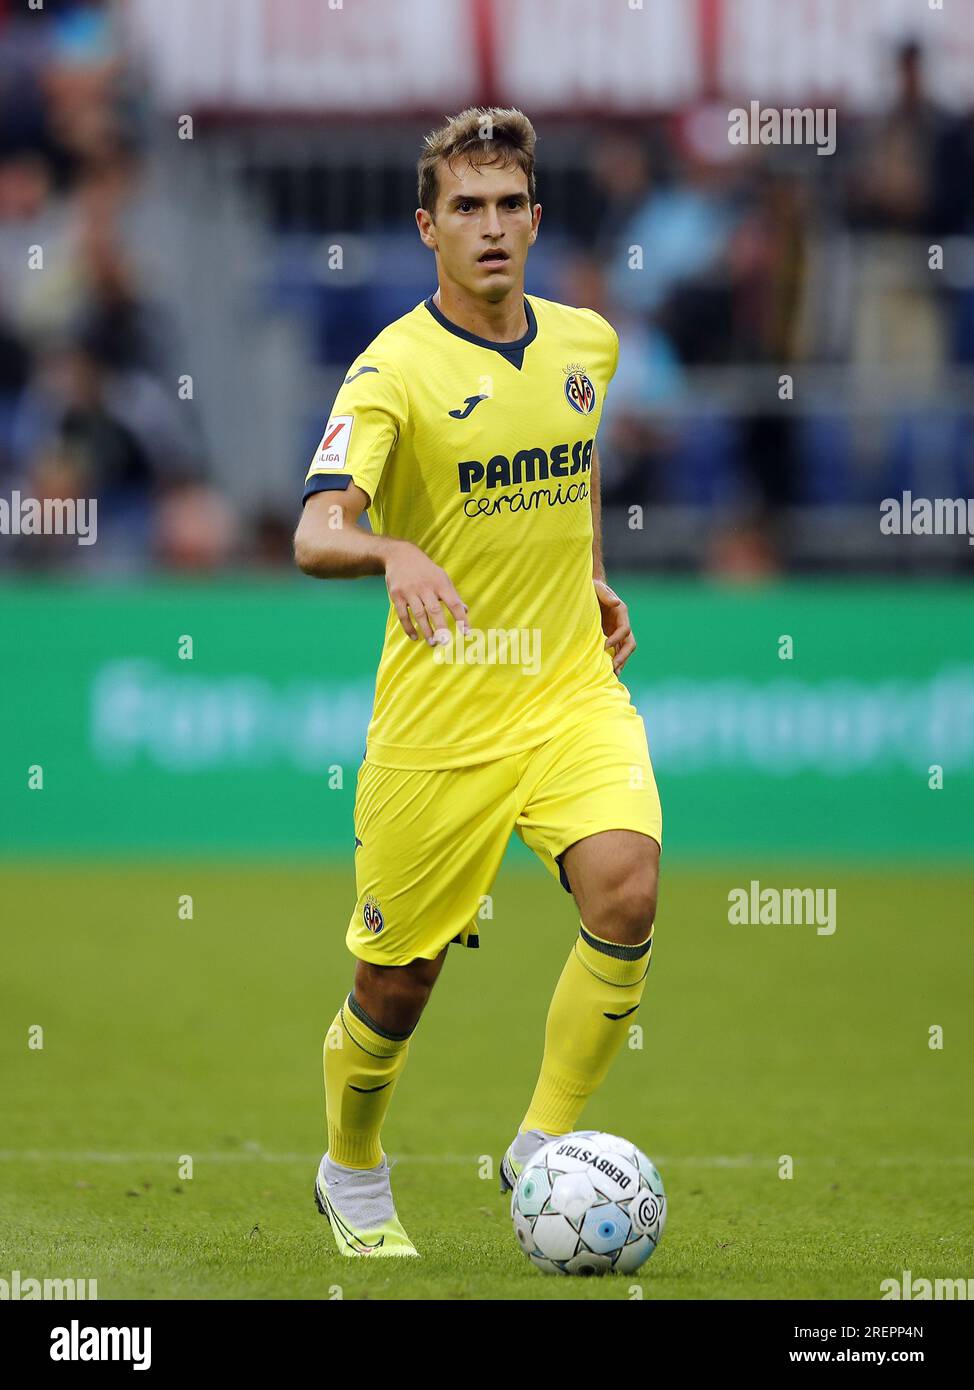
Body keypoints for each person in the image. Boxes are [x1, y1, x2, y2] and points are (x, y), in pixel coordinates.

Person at [293, 108, 662, 1257]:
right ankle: (351, 1171)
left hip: (565, 694)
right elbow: (313, 531)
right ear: (427, 227)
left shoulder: (584, 346)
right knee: (394, 984)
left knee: (626, 891)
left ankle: (538, 1145)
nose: (491, 227)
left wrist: (591, 574)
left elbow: (576, 459)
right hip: (440, 721)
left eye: (509, 206)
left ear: (536, 219)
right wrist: (390, 549)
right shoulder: (391, 370)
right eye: (466, 207)